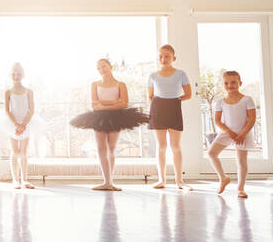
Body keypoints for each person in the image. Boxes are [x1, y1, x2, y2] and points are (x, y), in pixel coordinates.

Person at [69, 58, 150, 191]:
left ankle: (110, 182)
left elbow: (124, 103)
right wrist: (113, 103)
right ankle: (106, 181)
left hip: (116, 118)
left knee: (111, 148)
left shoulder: (120, 84)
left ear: (110, 66)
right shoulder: (95, 84)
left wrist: (105, 104)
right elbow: (94, 104)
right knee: (101, 147)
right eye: (99, 68)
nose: (101, 70)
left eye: (104, 67)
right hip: (98, 118)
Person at [147, 44, 192, 190]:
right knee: (161, 146)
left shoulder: (181, 74)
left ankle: (179, 181)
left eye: (167, 56)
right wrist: (155, 109)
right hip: (157, 109)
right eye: (160, 56)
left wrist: (174, 101)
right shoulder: (152, 76)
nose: (163, 59)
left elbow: (188, 94)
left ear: (174, 58)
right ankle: (162, 180)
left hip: (174, 108)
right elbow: (150, 96)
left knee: (175, 146)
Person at [207, 70, 258, 198]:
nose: (230, 85)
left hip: (243, 132)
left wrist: (242, 134)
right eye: (226, 83)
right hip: (227, 132)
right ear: (223, 84)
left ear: (240, 83)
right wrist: (229, 132)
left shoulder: (247, 99)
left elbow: (252, 119)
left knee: (241, 161)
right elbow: (218, 121)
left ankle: (241, 189)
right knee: (211, 153)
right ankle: (223, 178)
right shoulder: (220, 102)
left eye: (233, 82)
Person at [0, 62, 39, 189]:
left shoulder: (29, 91)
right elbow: (7, 110)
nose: (16, 76)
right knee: (14, 151)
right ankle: (15, 180)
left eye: (18, 74)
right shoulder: (8, 92)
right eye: (14, 74)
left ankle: (25, 180)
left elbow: (31, 109)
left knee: (23, 152)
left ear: (22, 75)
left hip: (26, 123)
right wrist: (16, 124)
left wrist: (24, 124)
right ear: (11, 75)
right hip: (12, 123)